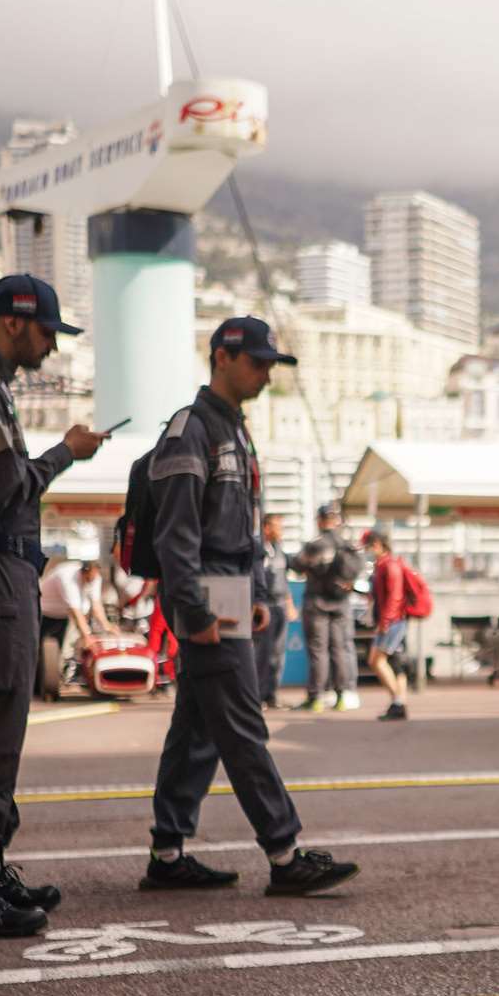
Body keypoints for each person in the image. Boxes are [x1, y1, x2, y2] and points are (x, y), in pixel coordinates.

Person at [139, 317, 357, 897]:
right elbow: (176, 538)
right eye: (257, 362)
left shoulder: (234, 429)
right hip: (207, 593)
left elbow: (245, 528)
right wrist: (196, 610)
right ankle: (285, 855)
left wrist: (255, 592)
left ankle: (167, 852)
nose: (265, 374)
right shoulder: (193, 430)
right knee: (241, 724)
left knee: (197, 728)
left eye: (269, 364)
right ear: (221, 358)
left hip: (231, 589)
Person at [0, 272, 105, 937]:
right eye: (46, 332)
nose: (52, 348)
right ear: (12, 321)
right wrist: (68, 450)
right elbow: (1, 493)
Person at [291, 501, 362, 712]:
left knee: (318, 650)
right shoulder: (345, 543)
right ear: (337, 520)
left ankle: (316, 697)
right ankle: (342, 695)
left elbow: (296, 565)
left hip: (317, 602)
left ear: (320, 520)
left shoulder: (315, 543)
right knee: (340, 648)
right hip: (341, 602)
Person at [360, 529, 418, 722]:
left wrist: (384, 622)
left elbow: (394, 596)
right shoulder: (384, 565)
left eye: (368, 546)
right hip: (394, 620)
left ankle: (398, 701)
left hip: (391, 621)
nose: (367, 551)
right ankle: (398, 704)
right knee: (396, 665)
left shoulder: (389, 565)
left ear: (377, 545)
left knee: (376, 661)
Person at [37, 558, 110, 697]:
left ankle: (54, 681)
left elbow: (96, 604)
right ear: (83, 573)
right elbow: (75, 611)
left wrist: (107, 625)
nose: (91, 581)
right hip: (44, 612)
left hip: (62, 614)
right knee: (38, 651)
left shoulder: (95, 577)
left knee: (58, 651)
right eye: (88, 578)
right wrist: (87, 636)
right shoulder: (67, 577)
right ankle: (37, 686)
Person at [255, 512, 292, 710]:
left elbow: (283, 578)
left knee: (278, 653)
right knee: (263, 652)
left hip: (280, 606)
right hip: (265, 607)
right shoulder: (259, 549)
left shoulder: (279, 549)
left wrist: (290, 603)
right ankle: (258, 696)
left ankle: (271, 694)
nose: (281, 531)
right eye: (278, 527)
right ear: (267, 528)